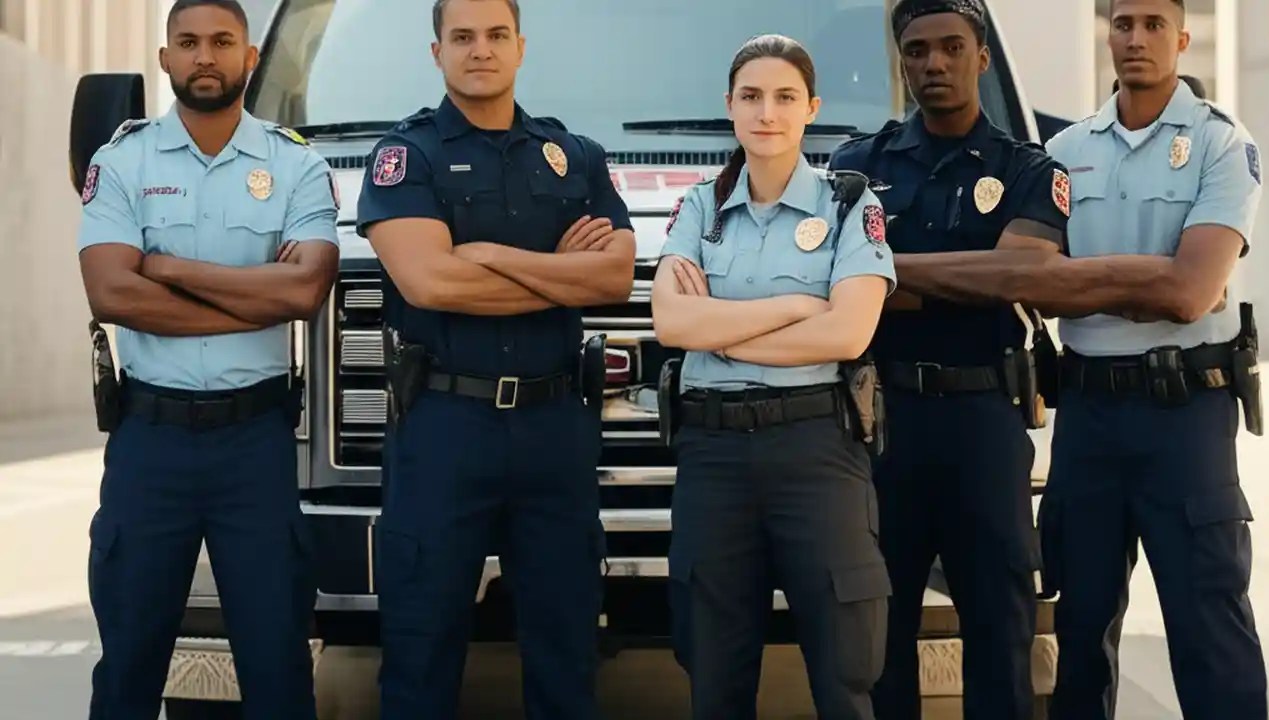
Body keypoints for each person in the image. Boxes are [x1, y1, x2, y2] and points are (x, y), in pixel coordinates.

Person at [870, 1, 1269, 717]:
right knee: (1079, 631)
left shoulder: (1221, 142)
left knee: (1210, 628)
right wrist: (1137, 277)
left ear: (1181, 37)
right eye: (1123, 24)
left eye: (1154, 24)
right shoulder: (1065, 151)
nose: (1136, 38)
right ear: (1107, 34)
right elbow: (1028, 283)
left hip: (1185, 416)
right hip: (1088, 415)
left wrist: (890, 270)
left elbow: (1189, 293)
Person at [353, 0, 637, 717]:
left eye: (496, 35)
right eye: (463, 37)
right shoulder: (406, 156)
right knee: (421, 651)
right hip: (445, 425)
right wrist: (557, 271)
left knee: (567, 651)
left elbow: (612, 278)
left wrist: (487, 255)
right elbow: (430, 283)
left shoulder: (574, 155)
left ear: (520, 47)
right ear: (437, 52)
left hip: (555, 428)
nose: (480, 50)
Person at [75, 1, 340, 718]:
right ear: (165, 58)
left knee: (278, 666)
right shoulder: (121, 161)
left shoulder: (295, 164)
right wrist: (256, 298)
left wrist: (166, 268)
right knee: (128, 666)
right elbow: (111, 292)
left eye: (223, 42)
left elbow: (306, 291)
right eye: (187, 42)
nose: (205, 56)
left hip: (255, 446)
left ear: (250, 58)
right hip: (149, 443)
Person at [825, 2, 1074, 718]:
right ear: (901, 62)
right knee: (880, 631)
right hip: (882, 424)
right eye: (917, 50)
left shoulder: (1028, 168)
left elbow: (1021, 275)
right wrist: (972, 274)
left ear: (981, 57)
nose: (934, 63)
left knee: (1001, 626)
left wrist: (885, 271)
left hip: (984, 420)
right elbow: (837, 285)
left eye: (952, 47)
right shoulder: (856, 165)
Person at [653, 34, 897, 720]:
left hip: (815, 449)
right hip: (714, 457)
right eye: (752, 96)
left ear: (811, 108)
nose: (767, 113)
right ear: (729, 106)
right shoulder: (699, 206)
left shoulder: (849, 205)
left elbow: (847, 334)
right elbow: (671, 322)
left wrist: (720, 332)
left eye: (786, 97)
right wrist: (795, 306)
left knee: (845, 671)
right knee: (714, 672)